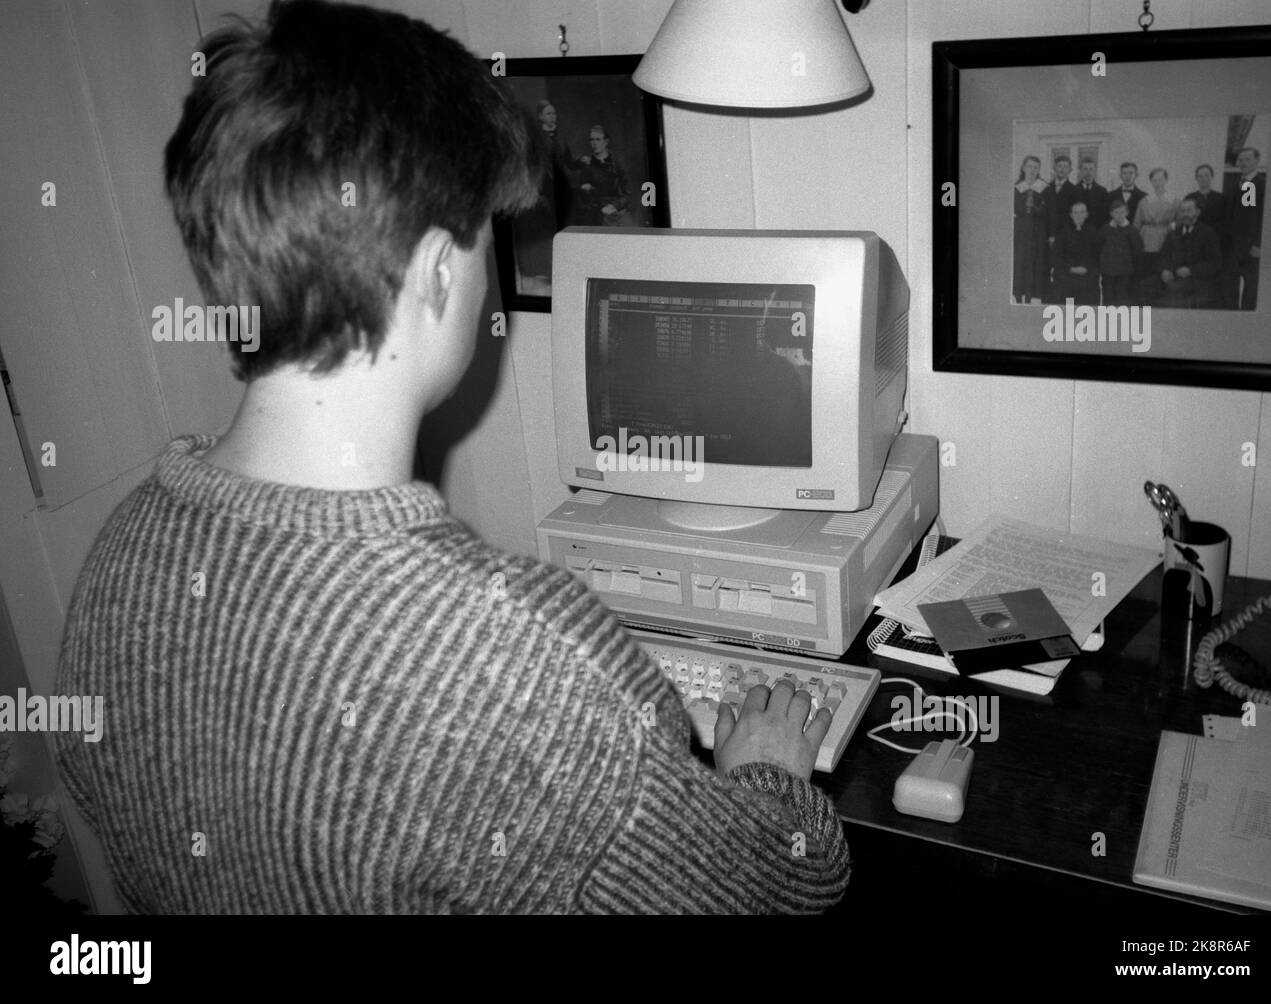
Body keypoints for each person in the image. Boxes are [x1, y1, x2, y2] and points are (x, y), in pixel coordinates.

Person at [53, 0, 849, 915]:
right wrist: (769, 779)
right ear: (438, 270)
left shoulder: (118, 565)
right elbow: (784, 887)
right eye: (484, 240)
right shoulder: (515, 661)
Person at [512, 99, 581, 284]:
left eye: (554, 113)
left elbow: (568, 162)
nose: (553, 116)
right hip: (543, 191)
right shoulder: (535, 139)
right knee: (545, 235)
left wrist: (582, 162)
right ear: (541, 116)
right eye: (549, 113)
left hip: (560, 191)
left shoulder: (560, 137)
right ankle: (544, 273)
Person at [1222, 146, 1266, 310]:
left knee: (1250, 290)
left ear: (1257, 161)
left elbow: (1259, 217)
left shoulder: (1259, 185)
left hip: (1250, 248)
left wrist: (1258, 244)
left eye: (1247, 159)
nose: (1243, 163)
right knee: (1230, 288)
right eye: (1241, 160)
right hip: (1232, 247)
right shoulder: (1235, 185)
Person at [1160, 198, 1222, 309]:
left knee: (1175, 288)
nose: (1185, 214)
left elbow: (1215, 263)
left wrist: (1191, 270)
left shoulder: (1208, 233)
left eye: (1189, 210)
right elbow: (1164, 255)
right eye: (1182, 211)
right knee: (1147, 285)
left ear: (1197, 212)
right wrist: (1165, 269)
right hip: (1175, 275)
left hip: (1198, 279)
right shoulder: (1174, 233)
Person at [1132, 168, 1178, 303]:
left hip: (1166, 239)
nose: (1158, 183)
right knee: (1147, 274)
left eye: (1160, 179)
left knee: (1163, 274)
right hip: (1147, 241)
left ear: (1166, 180)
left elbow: (1179, 221)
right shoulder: (1144, 201)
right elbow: (1136, 223)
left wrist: (1171, 226)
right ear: (1151, 182)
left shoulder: (1174, 200)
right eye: (1154, 180)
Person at [576, 124, 631, 226]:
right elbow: (583, 200)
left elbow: (628, 194)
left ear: (606, 141)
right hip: (596, 213)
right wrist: (586, 190)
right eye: (592, 140)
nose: (595, 143)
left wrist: (615, 206)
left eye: (598, 139)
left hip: (617, 210)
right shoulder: (587, 166)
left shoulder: (617, 164)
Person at [1012, 155, 1049, 303]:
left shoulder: (1044, 187)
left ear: (1039, 170)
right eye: (1030, 166)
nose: (1032, 170)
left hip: (1037, 231)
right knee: (1020, 261)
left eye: (1036, 167)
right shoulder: (1017, 187)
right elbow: (1014, 208)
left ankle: (1031, 296)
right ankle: (1018, 295)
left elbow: (1048, 211)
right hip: (1021, 230)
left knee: (1034, 262)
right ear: (1023, 168)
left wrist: (1035, 209)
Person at [1051, 201, 1100, 305]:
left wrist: (1086, 268)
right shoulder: (1063, 232)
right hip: (1067, 273)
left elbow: (1097, 256)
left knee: (1088, 295)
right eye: (1076, 212)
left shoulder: (1094, 233)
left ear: (1087, 214)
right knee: (1066, 298)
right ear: (1071, 215)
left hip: (1087, 274)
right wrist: (1071, 269)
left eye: (1082, 212)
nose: (1079, 215)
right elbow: (1056, 256)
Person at [1098, 198, 1143, 306]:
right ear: (1111, 214)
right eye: (1116, 212)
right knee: (1108, 297)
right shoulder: (1105, 230)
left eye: (1122, 212)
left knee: (1122, 297)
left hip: (1125, 271)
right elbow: (1099, 248)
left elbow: (1137, 250)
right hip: (1108, 271)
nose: (1119, 215)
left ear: (1127, 212)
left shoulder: (1132, 230)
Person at [1184, 163, 1227, 253]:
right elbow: (1185, 219)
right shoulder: (1190, 197)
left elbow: (1224, 221)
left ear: (1212, 177)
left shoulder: (1221, 198)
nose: (1203, 179)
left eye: (1206, 175)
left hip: (1215, 239)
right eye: (1200, 176)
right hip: (1194, 239)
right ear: (1196, 178)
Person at [1075, 156, 1110, 230]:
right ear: (1080, 171)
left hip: (1096, 232)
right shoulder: (1073, 190)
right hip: (1077, 231)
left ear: (1095, 171)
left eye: (1091, 169)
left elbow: (1106, 215)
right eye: (1085, 169)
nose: (1088, 172)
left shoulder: (1102, 191)